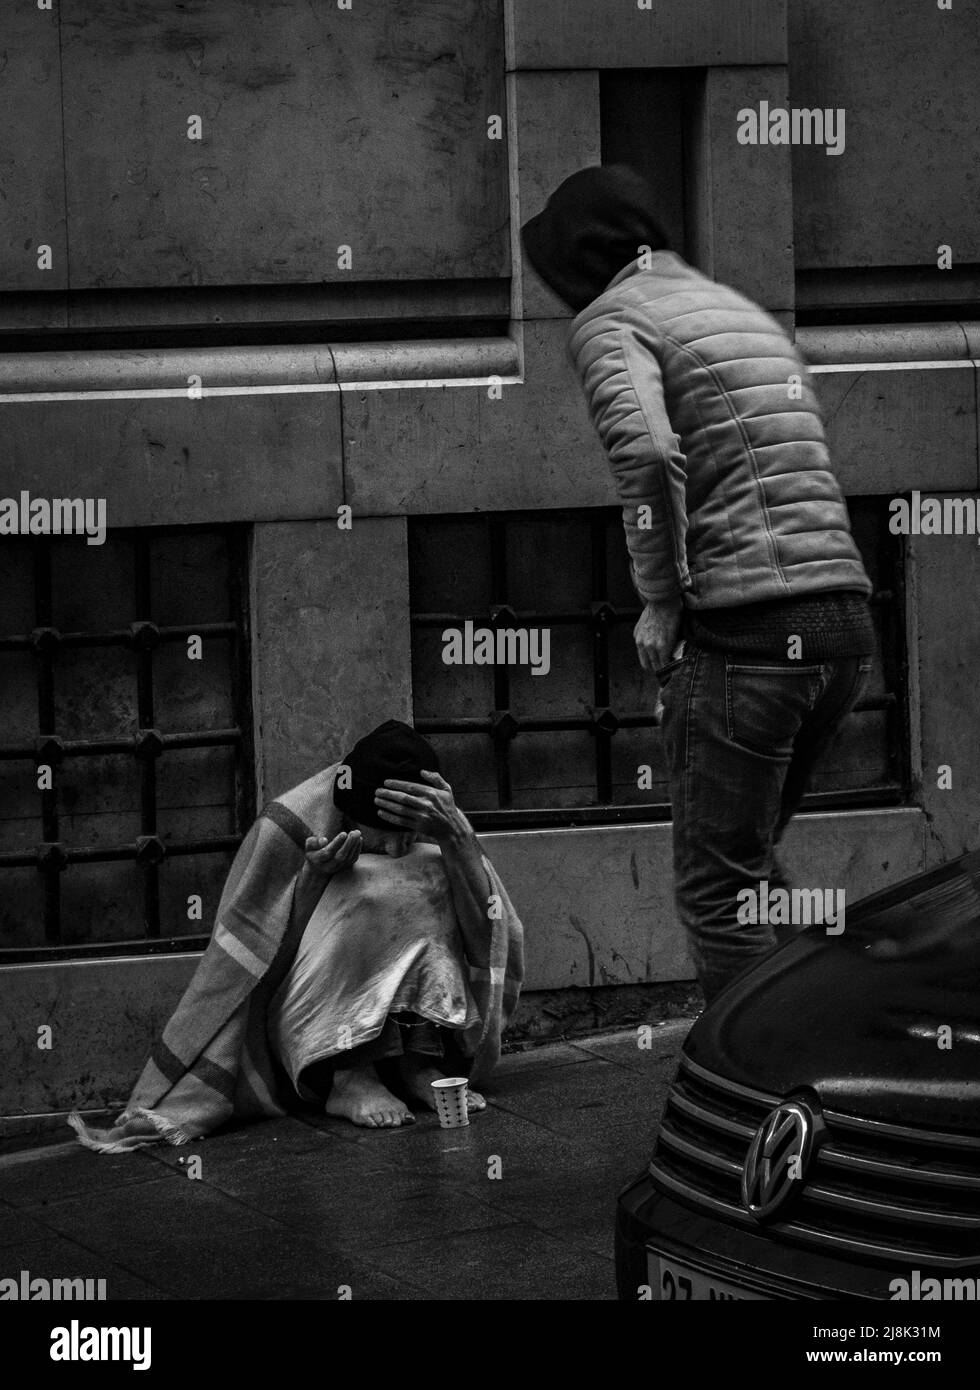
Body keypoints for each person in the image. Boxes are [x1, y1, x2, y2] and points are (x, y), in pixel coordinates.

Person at [521, 164, 876, 1004]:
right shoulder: (733, 308)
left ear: (575, 260)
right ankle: (822, 1033)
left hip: (748, 631)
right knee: (745, 870)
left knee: (716, 890)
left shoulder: (614, 320)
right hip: (842, 627)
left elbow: (646, 452)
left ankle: (756, 1088)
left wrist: (658, 599)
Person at [70, 721, 524, 1150]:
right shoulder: (293, 825)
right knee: (367, 884)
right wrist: (313, 881)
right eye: (381, 834)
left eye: (406, 834)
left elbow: (491, 927)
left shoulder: (435, 835)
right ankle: (351, 1076)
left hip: (407, 1010)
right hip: (308, 1021)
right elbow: (260, 960)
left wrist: (457, 838)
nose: (393, 848)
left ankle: (417, 1061)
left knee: (428, 873)